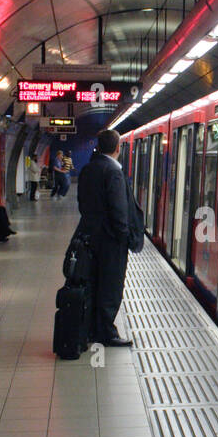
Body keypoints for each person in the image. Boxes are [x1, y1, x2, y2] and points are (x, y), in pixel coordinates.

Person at [76, 129, 132, 346]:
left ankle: (92, 328)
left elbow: (82, 203)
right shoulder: (114, 172)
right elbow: (119, 210)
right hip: (111, 240)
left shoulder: (88, 169)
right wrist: (123, 235)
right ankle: (107, 332)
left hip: (90, 234)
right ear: (118, 148)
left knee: (94, 281)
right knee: (110, 285)